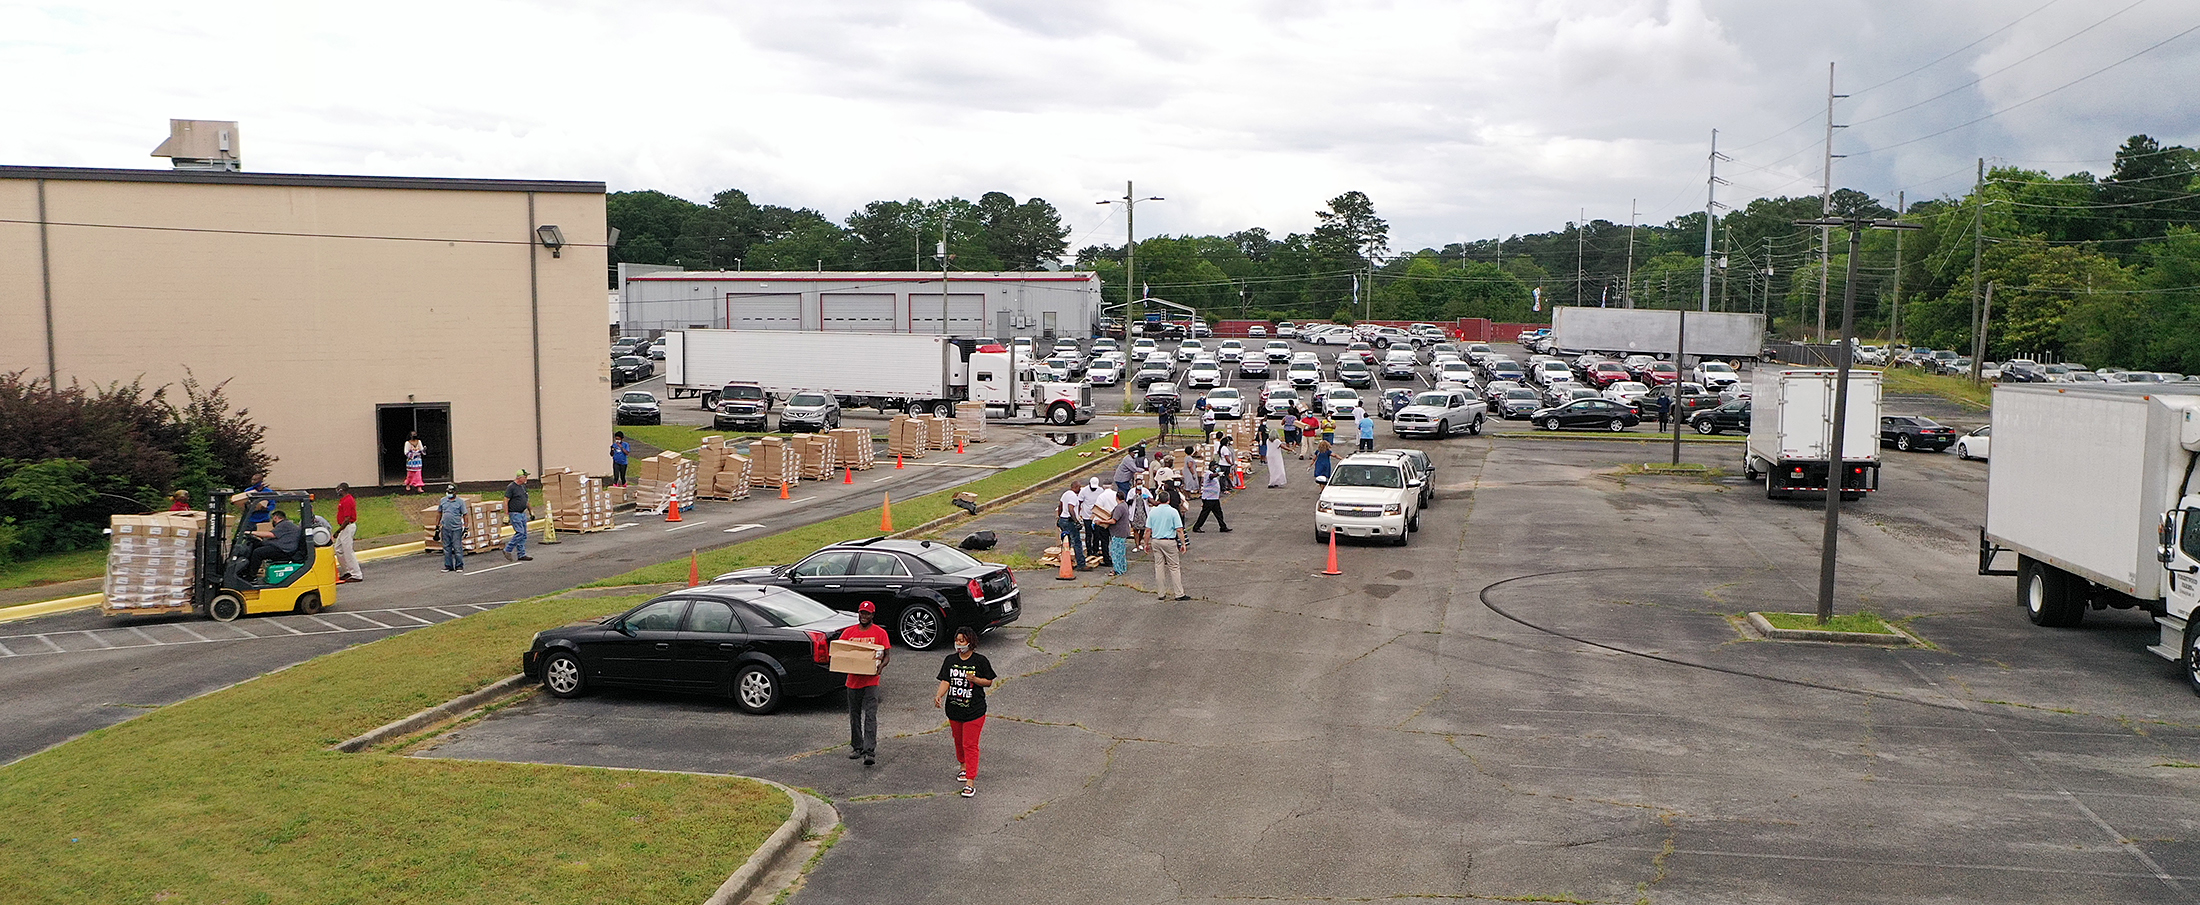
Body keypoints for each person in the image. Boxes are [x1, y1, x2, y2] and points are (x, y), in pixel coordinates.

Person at [933, 626, 997, 798]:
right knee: (959, 741)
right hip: (954, 708)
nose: (959, 644)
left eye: (962, 641)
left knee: (970, 744)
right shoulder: (950, 660)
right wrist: (939, 695)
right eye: (957, 640)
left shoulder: (980, 661)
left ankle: (970, 781)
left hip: (974, 710)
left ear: (970, 642)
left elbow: (989, 681)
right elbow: (946, 680)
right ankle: (963, 765)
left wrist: (975, 680)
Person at [841, 600, 892, 766]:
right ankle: (857, 746)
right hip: (853, 681)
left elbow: (886, 655)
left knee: (870, 716)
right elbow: (840, 651)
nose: (864, 616)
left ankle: (869, 751)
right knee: (854, 716)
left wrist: (881, 668)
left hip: (871, 680)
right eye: (862, 613)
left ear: (872, 615)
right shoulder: (849, 632)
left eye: (867, 613)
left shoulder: (880, 633)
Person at [1146, 488, 1188, 601]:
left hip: (1156, 540)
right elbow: (1179, 529)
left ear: (1159, 500)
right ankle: (1179, 593)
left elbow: (1148, 530)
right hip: (1169, 540)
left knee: (1159, 566)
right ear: (1168, 500)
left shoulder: (1153, 511)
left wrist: (1146, 543)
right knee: (1174, 567)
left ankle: (1161, 593)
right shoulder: (1173, 511)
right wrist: (1183, 543)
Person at [240, 509, 303, 583]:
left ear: (276, 517)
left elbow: (270, 535)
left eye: (272, 519)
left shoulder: (284, 524)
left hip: (284, 551)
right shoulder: (286, 525)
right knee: (255, 544)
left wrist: (251, 532)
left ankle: (251, 577)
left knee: (258, 553)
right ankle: (246, 571)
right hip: (282, 547)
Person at [333, 482, 364, 583]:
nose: (337, 491)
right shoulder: (344, 500)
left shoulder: (347, 501)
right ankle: (348, 571)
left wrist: (338, 531)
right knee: (338, 548)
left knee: (348, 551)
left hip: (347, 527)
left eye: (338, 489)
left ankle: (356, 574)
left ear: (342, 490)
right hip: (344, 527)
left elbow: (347, 519)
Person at [503, 470, 533, 562]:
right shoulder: (511, 487)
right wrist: (506, 514)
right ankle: (507, 549)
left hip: (522, 513)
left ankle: (521, 554)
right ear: (520, 477)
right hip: (514, 513)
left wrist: (531, 511)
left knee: (523, 535)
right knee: (519, 532)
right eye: (525, 477)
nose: (527, 478)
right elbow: (506, 500)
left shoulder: (523, 487)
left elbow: (526, 500)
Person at [437, 485, 468, 572]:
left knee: (457, 548)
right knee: (446, 548)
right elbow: (439, 513)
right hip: (445, 528)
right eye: (448, 492)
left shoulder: (460, 502)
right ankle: (448, 566)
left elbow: (465, 514)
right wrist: (437, 526)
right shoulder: (443, 501)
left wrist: (466, 527)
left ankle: (459, 566)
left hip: (456, 528)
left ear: (455, 492)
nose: (449, 494)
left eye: (451, 492)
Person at [1191, 465, 1231, 533]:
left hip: (1214, 498)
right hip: (1208, 498)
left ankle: (1223, 527)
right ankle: (1196, 527)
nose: (1216, 468)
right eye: (1215, 467)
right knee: (1205, 513)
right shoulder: (1208, 473)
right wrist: (1218, 474)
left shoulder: (1212, 474)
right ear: (1211, 467)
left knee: (1219, 513)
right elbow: (1211, 476)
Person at [1055, 484, 1086, 571]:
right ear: (1075, 488)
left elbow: (1060, 506)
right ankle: (1081, 564)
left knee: (1066, 541)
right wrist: (1076, 521)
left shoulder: (1065, 494)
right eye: (1079, 488)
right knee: (1077, 542)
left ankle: (1065, 560)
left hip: (1063, 520)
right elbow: (1070, 509)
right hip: (1069, 521)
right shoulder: (1073, 497)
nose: (1080, 490)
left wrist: (1059, 517)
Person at [1105, 489, 1133, 575]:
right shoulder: (1125, 505)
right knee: (1121, 552)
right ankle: (1122, 568)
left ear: (1116, 498)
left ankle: (1117, 569)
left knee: (1115, 552)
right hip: (1123, 532)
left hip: (1118, 533)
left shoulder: (1119, 507)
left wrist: (1102, 521)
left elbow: (1114, 520)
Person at [1128, 484, 1153, 554]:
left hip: (1143, 513)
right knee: (1135, 529)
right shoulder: (1131, 492)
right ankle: (1137, 546)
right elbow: (1128, 502)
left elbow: (1151, 499)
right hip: (1135, 513)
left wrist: (1147, 497)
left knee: (1142, 529)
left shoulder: (1145, 491)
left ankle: (1139, 543)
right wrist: (1134, 497)